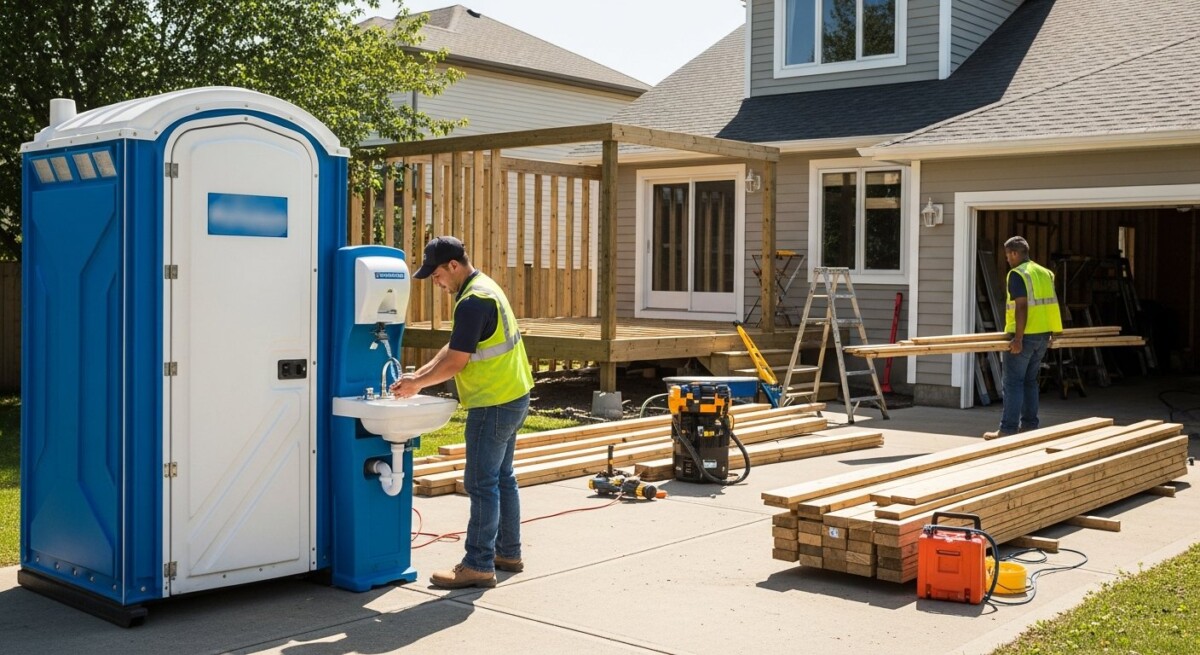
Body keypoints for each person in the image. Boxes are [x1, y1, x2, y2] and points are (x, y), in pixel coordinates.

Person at [391, 236, 534, 588]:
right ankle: (508, 552)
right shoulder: (483, 288)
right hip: (514, 394)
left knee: (481, 483)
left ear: (453, 266)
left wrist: (417, 386)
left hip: (493, 403)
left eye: (436, 275)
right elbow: (457, 344)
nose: (435, 283)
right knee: (502, 478)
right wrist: (419, 375)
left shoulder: (472, 302)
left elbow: (456, 362)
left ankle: (478, 564)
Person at [984, 236, 1063, 440]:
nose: (1007, 260)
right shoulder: (1045, 273)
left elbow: (1021, 306)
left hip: (1024, 337)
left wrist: (1017, 339)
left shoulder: (1018, 274)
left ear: (1015, 253)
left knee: (1013, 382)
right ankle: (1029, 425)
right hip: (1043, 336)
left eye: (1008, 255)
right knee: (1029, 382)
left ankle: (1007, 429)